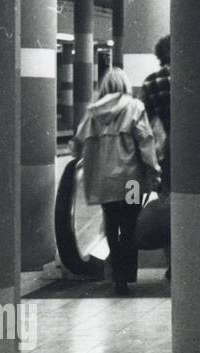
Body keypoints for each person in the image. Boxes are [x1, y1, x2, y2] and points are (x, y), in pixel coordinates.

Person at [69, 67, 161, 295]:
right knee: (129, 224)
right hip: (131, 181)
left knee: (111, 223)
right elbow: (145, 140)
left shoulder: (93, 112)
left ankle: (116, 276)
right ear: (124, 85)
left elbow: (77, 143)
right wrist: (153, 168)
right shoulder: (135, 106)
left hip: (104, 180)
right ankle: (127, 274)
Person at [139, 34, 172, 281]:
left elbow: (147, 125)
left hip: (171, 151)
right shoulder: (197, 74)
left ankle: (173, 263)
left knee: (168, 208)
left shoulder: (151, 82)